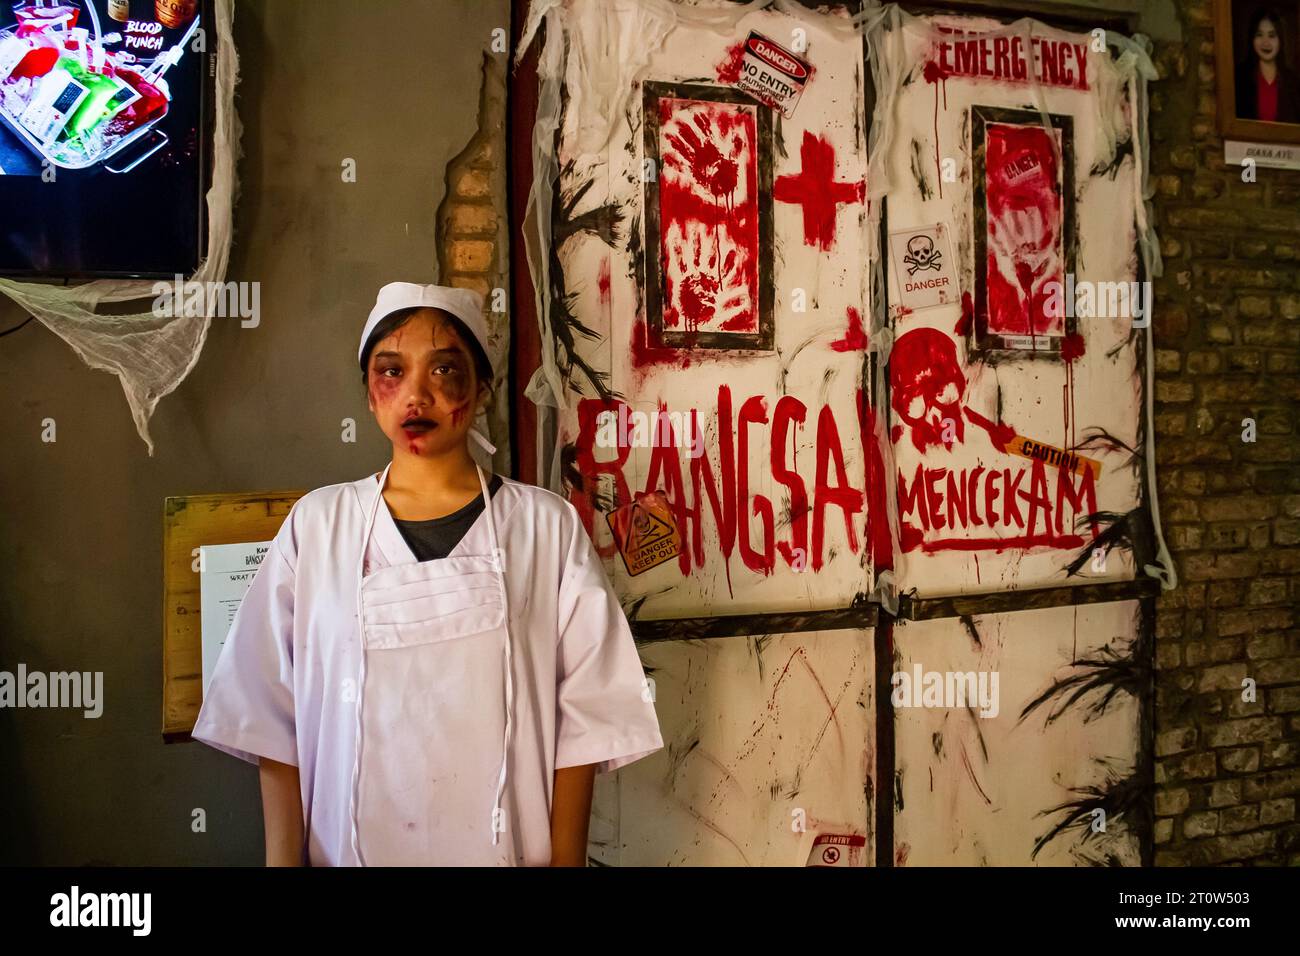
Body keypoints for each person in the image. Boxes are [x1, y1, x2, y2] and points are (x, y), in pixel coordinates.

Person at [193, 282, 664, 866]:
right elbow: (270, 718)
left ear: (483, 388)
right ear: (369, 394)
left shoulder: (545, 529)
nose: (415, 395)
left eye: (444, 370)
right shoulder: (318, 527)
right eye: (391, 371)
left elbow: (588, 719)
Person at [1236, 7, 1300, 123]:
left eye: (1272, 36)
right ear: (1252, 38)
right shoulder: (1240, 76)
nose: (1265, 42)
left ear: (1280, 40)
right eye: (1259, 35)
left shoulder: (1293, 81)